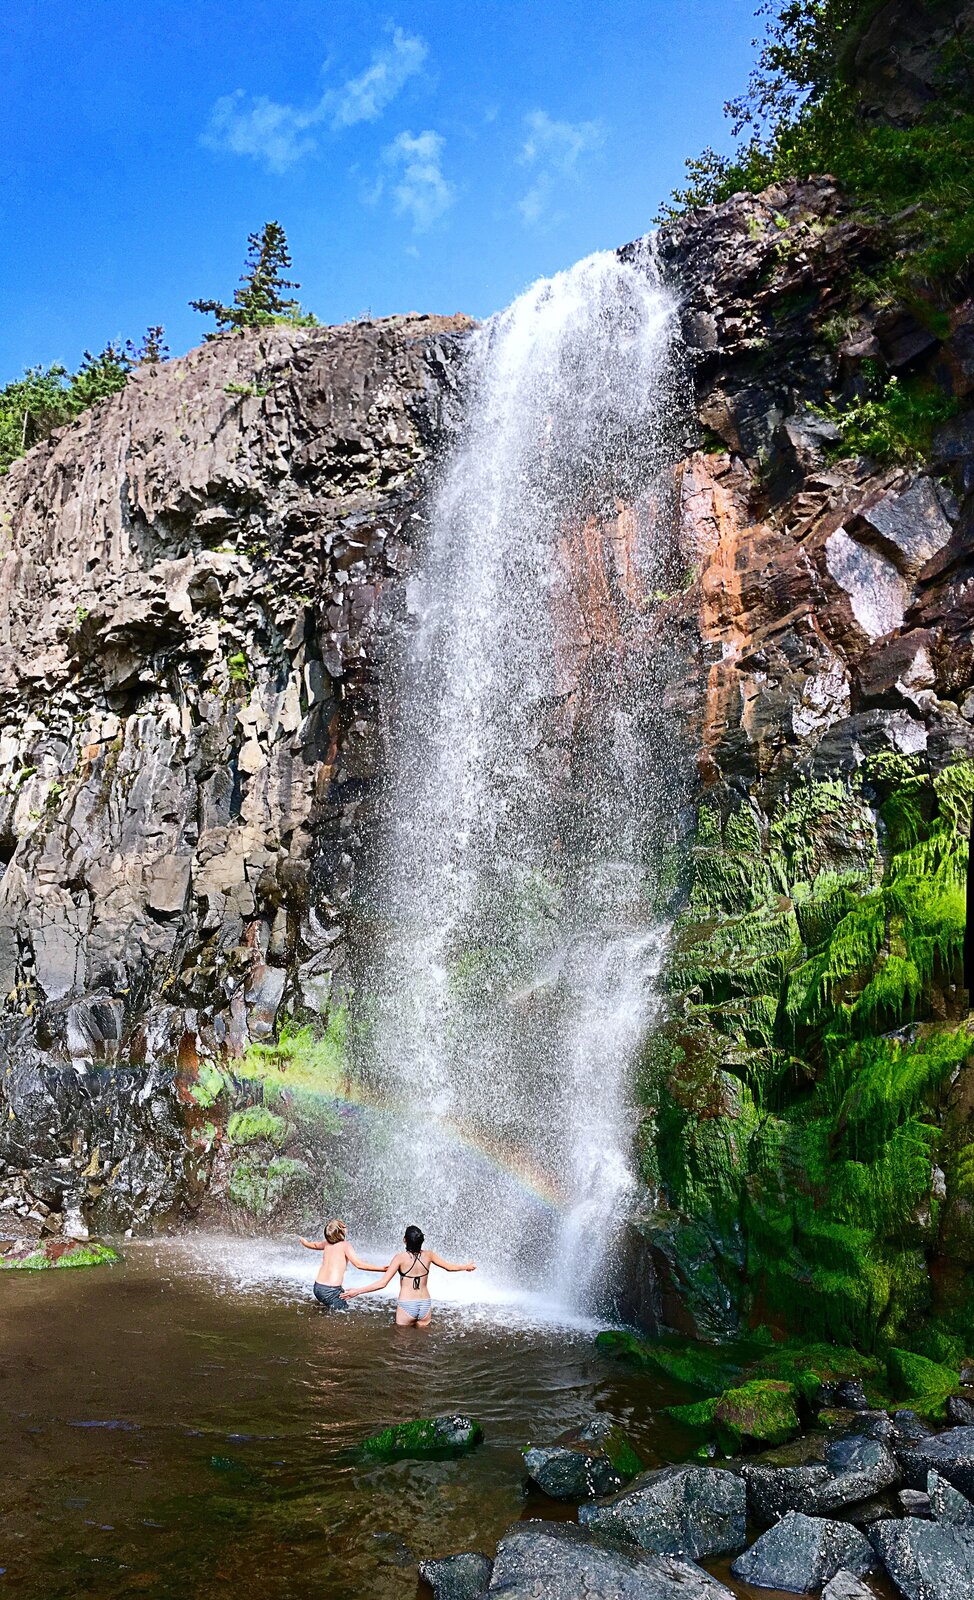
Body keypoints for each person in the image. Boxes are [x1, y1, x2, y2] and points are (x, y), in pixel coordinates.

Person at [340, 1224, 475, 1327]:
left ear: (405, 1240)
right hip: (425, 1304)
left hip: (407, 1305)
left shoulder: (400, 1258)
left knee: (402, 1343)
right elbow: (449, 1268)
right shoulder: (429, 1255)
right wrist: (466, 1267)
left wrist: (357, 1291)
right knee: (422, 1343)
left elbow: (383, 1283)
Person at [299, 1218, 388, 1310]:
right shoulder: (345, 1245)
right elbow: (359, 1264)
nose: (346, 1227)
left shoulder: (326, 1244)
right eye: (343, 1226)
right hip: (331, 1290)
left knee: (331, 1309)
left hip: (318, 1287)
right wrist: (382, 1269)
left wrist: (304, 1242)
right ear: (341, 1231)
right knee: (342, 1313)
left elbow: (313, 1245)